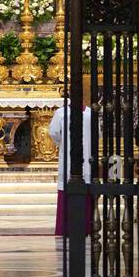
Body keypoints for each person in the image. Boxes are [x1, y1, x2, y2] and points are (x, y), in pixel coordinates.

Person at [48, 98, 92, 235]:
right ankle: (85, 227)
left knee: (68, 184)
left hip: (68, 156)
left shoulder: (61, 113)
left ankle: (66, 227)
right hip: (86, 156)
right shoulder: (90, 113)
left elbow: (53, 133)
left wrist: (62, 143)